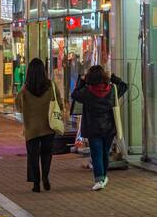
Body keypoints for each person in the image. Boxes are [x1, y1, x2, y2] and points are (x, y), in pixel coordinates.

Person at [70, 65, 129, 191]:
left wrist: (82, 82)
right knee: (104, 154)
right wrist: (114, 78)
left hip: (93, 128)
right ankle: (103, 178)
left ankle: (99, 179)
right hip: (109, 128)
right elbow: (125, 86)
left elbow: (74, 94)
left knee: (96, 154)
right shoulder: (112, 89)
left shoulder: (86, 92)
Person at [14, 58, 59, 194]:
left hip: (31, 128)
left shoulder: (26, 88)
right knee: (47, 154)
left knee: (32, 155)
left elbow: (18, 106)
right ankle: (45, 176)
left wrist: (23, 93)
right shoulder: (51, 85)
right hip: (48, 126)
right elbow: (60, 103)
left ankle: (36, 183)